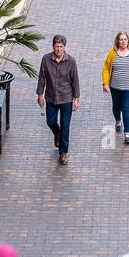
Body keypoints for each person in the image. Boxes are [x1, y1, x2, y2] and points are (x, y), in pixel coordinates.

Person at [37, 34, 80, 165]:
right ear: (53, 47)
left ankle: (63, 153)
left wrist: (76, 98)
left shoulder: (71, 61)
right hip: (51, 97)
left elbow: (75, 80)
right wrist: (40, 94)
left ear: (64, 47)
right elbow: (42, 78)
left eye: (61, 46)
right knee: (50, 121)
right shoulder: (46, 59)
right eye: (56, 46)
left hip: (66, 97)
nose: (59, 49)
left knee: (65, 125)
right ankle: (57, 133)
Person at [101, 30, 129, 146]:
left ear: (128, 40)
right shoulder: (112, 53)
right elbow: (106, 68)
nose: (123, 41)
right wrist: (105, 83)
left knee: (126, 108)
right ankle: (118, 120)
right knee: (116, 106)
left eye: (125, 39)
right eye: (121, 39)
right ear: (117, 41)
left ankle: (127, 133)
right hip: (115, 86)